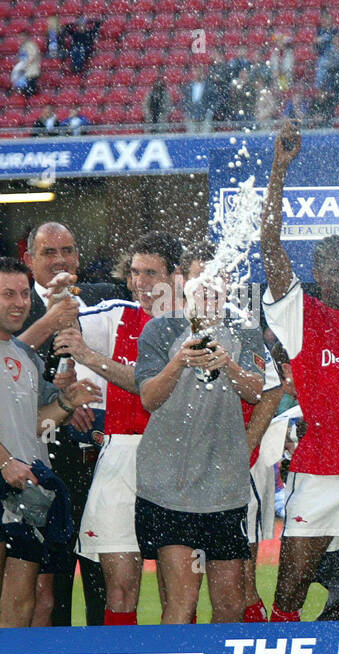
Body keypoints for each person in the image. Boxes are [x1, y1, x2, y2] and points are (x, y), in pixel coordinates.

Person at [261, 121, 339, 623]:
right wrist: (279, 171)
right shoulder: (302, 316)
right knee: (288, 596)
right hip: (320, 469)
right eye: (334, 270)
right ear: (318, 275)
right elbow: (271, 245)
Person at [52, 233, 182, 626]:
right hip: (120, 454)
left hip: (174, 459)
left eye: (151, 273)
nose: (141, 283)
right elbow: (67, 327)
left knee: (175, 593)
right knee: (119, 589)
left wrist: (89, 356)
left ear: (174, 277)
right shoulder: (116, 314)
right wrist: (62, 296)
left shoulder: (192, 325)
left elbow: (148, 386)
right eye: (135, 272)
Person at [133, 248, 267, 625]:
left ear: (229, 285)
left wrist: (229, 365)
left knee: (230, 603)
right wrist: (180, 360)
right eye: (200, 279)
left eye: (218, 279)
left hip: (224, 487)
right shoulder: (161, 328)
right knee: (182, 602)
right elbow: (149, 398)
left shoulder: (244, 328)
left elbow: (257, 392)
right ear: (183, 282)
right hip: (167, 485)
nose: (210, 287)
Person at [18, 222, 124, 627]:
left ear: (79, 257)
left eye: (67, 250)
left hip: (101, 464)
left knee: (107, 579)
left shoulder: (108, 301)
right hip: (43, 465)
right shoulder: (16, 306)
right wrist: (57, 398)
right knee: (49, 591)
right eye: (48, 252)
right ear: (29, 261)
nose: (60, 259)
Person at [0, 257, 101, 628]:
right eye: (7, 294)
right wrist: (3, 462)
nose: (19, 303)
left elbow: (34, 426)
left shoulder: (25, 359)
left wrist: (66, 404)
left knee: (22, 600)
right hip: (5, 475)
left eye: (24, 294)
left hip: (26, 487)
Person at [181, 64, 214, 133]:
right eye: (196, 71)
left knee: (205, 136)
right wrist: (187, 111)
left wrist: (209, 110)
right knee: (191, 137)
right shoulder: (187, 87)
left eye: (200, 71)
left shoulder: (209, 86)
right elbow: (184, 100)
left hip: (205, 116)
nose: (198, 73)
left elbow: (214, 100)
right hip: (191, 116)